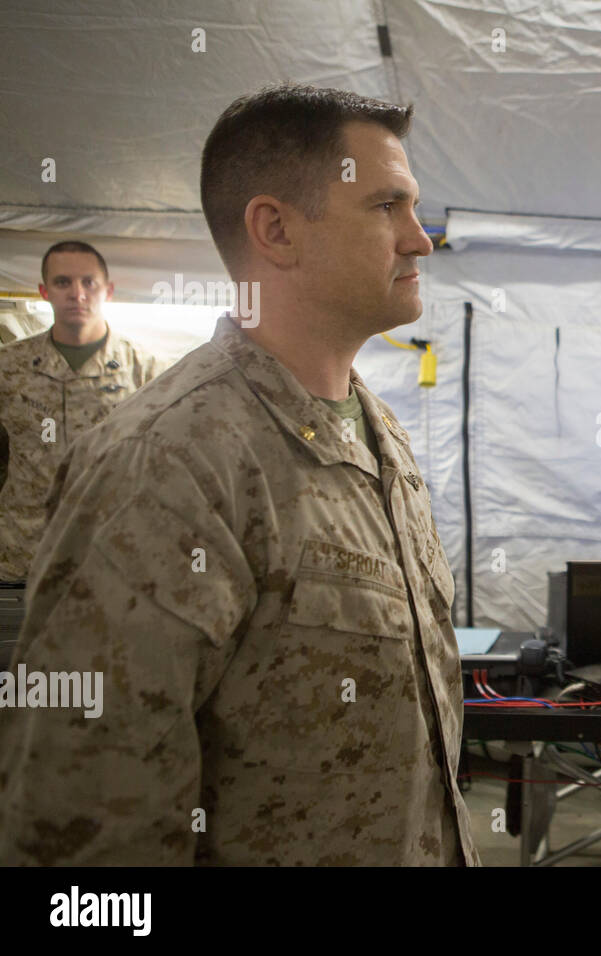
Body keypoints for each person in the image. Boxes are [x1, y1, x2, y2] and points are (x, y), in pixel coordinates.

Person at [0, 84, 478, 866]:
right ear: (276, 230)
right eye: (387, 207)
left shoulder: (381, 437)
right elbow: (84, 829)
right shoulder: (171, 459)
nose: (420, 240)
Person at [0, 242, 164, 587]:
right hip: (22, 557)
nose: (77, 294)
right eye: (63, 283)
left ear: (109, 291)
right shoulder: (8, 367)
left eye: (89, 283)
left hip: (108, 561)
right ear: (44, 292)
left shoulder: (146, 371)